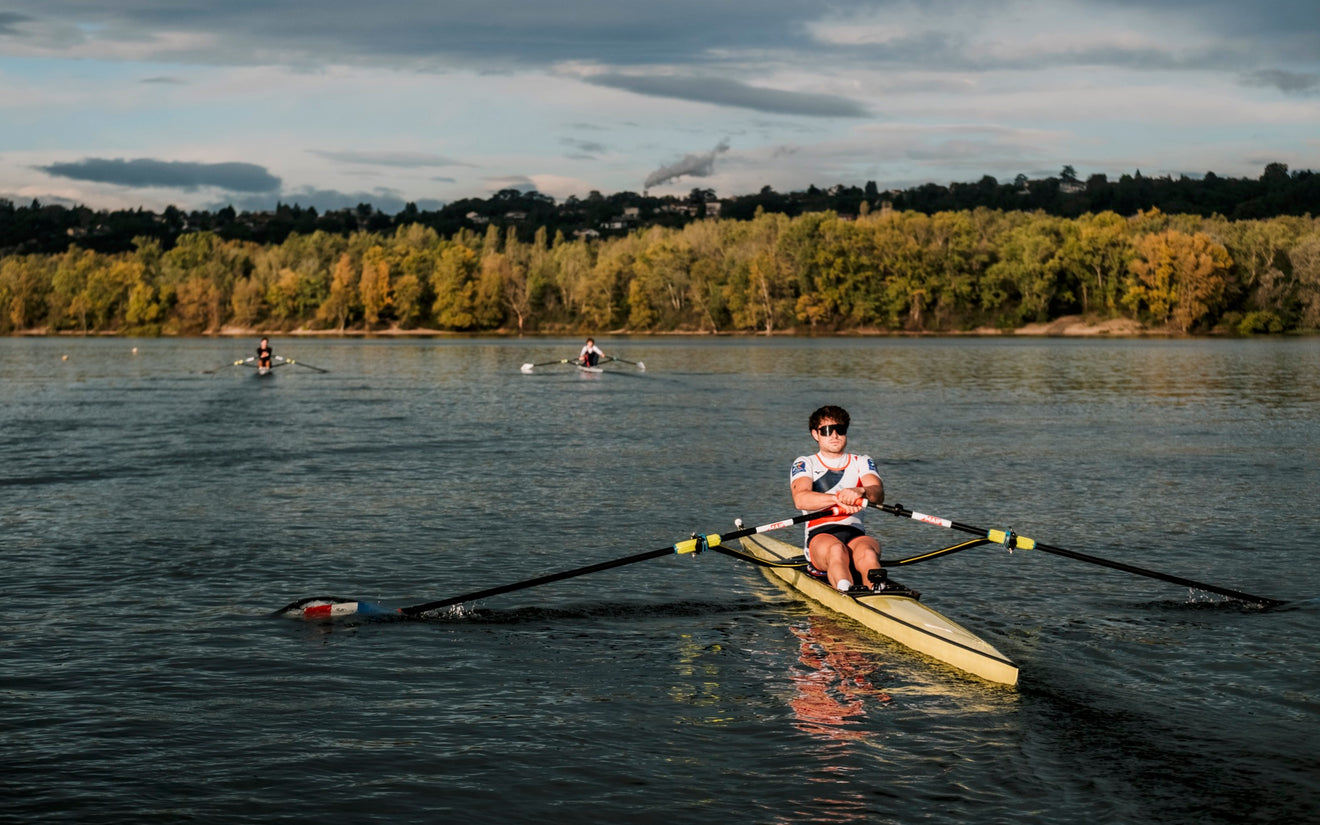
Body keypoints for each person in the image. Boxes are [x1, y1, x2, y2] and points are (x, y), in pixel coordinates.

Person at [790, 405, 885, 593]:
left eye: (839, 430)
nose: (834, 435)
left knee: (867, 552)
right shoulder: (805, 463)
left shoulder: (862, 461)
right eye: (826, 430)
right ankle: (846, 591)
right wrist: (838, 499)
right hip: (820, 535)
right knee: (836, 550)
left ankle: (879, 590)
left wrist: (861, 491)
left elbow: (878, 495)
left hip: (855, 534)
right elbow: (801, 499)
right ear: (815, 434)